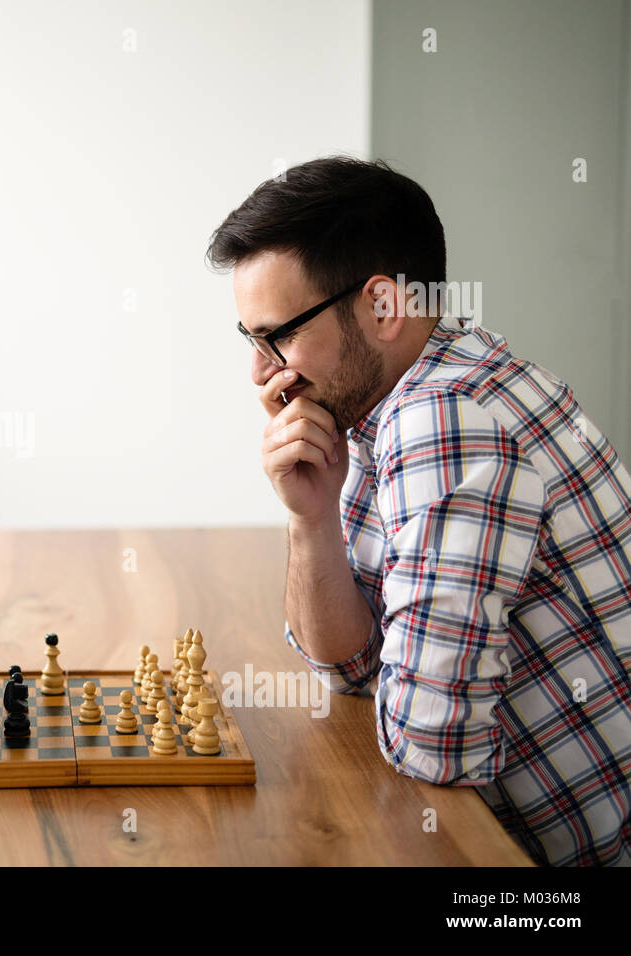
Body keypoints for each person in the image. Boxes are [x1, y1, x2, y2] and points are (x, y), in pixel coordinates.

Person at [207, 156, 631, 866]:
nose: (260, 371)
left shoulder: (445, 420)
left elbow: (430, 748)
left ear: (383, 307)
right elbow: (350, 667)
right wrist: (312, 518)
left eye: (276, 335)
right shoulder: (404, 399)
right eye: (249, 339)